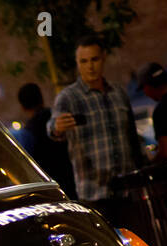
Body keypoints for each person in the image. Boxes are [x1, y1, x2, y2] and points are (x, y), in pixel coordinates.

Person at [50, 33, 144, 210]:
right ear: (77, 63)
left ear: (103, 58)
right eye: (83, 62)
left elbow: (131, 135)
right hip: (95, 191)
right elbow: (54, 128)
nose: (90, 67)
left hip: (129, 188)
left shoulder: (118, 93)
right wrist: (57, 128)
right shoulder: (68, 97)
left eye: (94, 60)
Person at [17, 82, 76, 198]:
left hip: (52, 188)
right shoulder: (59, 119)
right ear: (42, 99)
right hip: (73, 178)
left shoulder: (28, 132)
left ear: (22, 107)